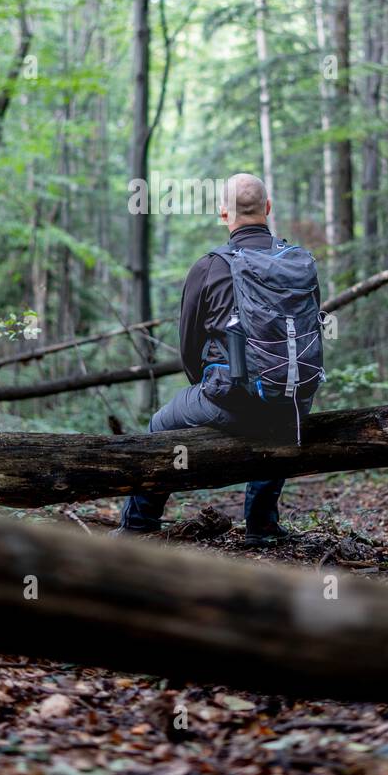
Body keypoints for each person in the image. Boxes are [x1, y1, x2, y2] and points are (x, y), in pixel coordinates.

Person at [119, 172, 321, 547]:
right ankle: (261, 524)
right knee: (277, 410)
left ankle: (138, 524)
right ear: (268, 208)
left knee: (159, 425)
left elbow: (188, 345)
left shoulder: (209, 267)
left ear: (223, 212)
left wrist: (210, 387)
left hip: (228, 400)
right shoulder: (299, 262)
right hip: (291, 403)